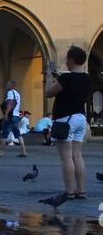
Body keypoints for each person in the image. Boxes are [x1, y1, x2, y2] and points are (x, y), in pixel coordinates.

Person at [46, 46, 91, 199]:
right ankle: (81, 190)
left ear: (71, 60)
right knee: (77, 156)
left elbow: (49, 93)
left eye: (66, 58)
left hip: (66, 119)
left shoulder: (65, 78)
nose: (65, 61)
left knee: (66, 157)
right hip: (80, 118)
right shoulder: (87, 78)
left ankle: (70, 192)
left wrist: (49, 79)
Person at [0, 79, 26, 157]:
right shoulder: (18, 94)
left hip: (11, 116)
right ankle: (23, 151)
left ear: (12, 85)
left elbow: (10, 103)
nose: (7, 85)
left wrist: (6, 114)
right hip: (16, 116)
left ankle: (1, 151)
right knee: (18, 134)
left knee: (4, 133)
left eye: (8, 84)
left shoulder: (10, 92)